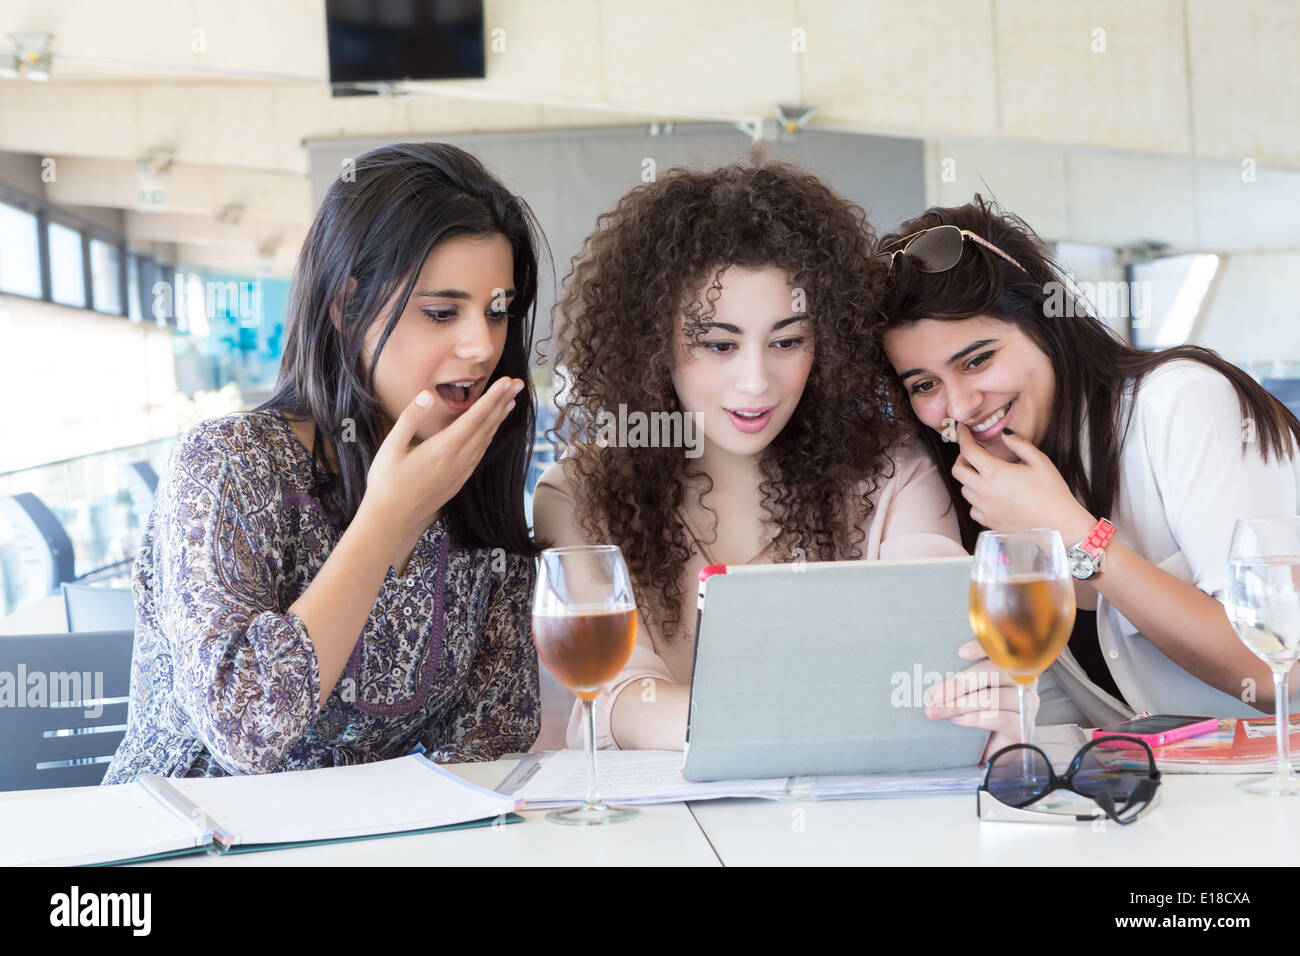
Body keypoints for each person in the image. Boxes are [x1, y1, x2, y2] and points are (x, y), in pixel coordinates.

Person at [104, 143, 544, 782]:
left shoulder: (470, 473)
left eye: (497, 311)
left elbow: (497, 729)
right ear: (347, 308)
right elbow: (244, 730)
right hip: (184, 839)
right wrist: (385, 520)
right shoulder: (230, 463)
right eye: (441, 312)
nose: (482, 346)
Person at [532, 158, 969, 753]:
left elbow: (933, 656)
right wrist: (808, 720)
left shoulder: (894, 472)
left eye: (788, 341)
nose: (756, 382)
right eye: (718, 344)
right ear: (652, 345)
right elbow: (614, 696)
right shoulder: (578, 493)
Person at [875, 195, 1300, 732]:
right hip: (1154, 804)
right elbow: (1059, 714)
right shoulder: (977, 488)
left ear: (1046, 326)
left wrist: (1077, 535)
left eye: (979, 359)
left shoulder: (1182, 404)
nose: (959, 406)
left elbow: (1271, 674)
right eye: (925, 384)